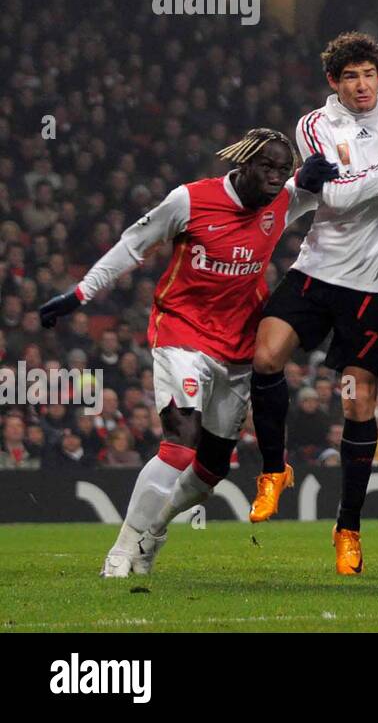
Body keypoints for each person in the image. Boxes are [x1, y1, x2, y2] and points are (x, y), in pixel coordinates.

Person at [38, 128, 340, 577]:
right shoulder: (190, 201)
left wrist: (327, 177)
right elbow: (132, 245)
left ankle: (154, 531)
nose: (276, 177)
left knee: (211, 469)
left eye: (283, 169)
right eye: (267, 167)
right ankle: (121, 551)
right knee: (180, 445)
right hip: (183, 332)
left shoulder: (283, 197)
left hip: (239, 346)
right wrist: (81, 293)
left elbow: (340, 192)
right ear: (243, 165)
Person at [244, 32, 378, 577]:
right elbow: (337, 193)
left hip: (376, 286)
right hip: (317, 271)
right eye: (350, 76)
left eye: (369, 74)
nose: (361, 85)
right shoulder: (316, 126)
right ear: (334, 81)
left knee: (357, 404)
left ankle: (348, 529)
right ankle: (272, 470)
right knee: (265, 357)